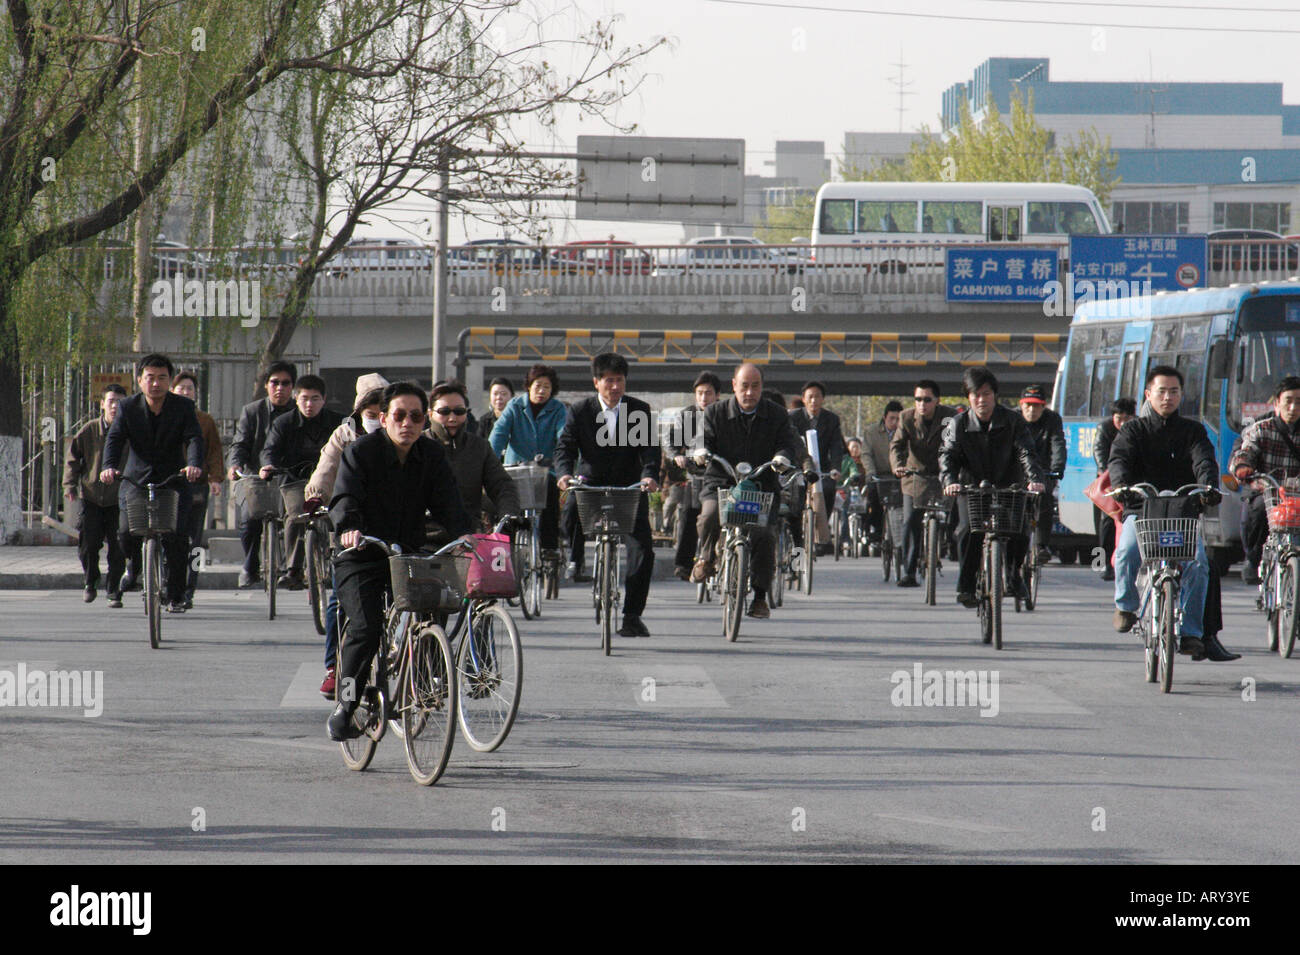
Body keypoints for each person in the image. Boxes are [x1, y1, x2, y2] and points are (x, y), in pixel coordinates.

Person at [327, 381, 474, 741]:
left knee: (436, 602)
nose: (407, 423)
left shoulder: (432, 455)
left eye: (415, 416)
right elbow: (344, 497)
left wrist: (464, 536)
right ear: (383, 417)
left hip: (406, 555)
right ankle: (345, 706)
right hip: (361, 554)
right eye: (398, 415)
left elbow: (449, 503)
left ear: (424, 420)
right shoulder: (361, 451)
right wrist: (349, 528)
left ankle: (424, 679)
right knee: (365, 628)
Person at [1109, 365, 1238, 661]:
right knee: (1127, 551)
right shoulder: (1133, 430)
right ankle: (1125, 606)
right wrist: (1122, 486)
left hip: (1182, 513)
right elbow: (1119, 460)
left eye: (1174, 391)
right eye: (1161, 391)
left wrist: (1208, 487)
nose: (1168, 397)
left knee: (1198, 565)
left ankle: (1191, 632)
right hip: (1142, 510)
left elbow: (1204, 460)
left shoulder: (1193, 431)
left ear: (1181, 394)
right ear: (1148, 394)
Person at [555, 353, 659, 638]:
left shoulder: (639, 410)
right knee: (572, 508)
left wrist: (649, 476)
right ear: (596, 382)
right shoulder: (580, 411)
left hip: (629, 487)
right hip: (591, 483)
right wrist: (564, 473)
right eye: (609, 381)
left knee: (642, 549)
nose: (614, 387)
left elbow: (650, 450)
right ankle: (575, 561)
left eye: (619, 380)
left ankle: (632, 615)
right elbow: (565, 447)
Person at [691, 363, 803, 619]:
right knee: (709, 515)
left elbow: (788, 443)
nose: (749, 392)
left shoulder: (777, 415)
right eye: (744, 386)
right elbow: (703, 439)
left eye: (755, 386)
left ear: (762, 387)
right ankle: (707, 558)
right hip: (721, 482)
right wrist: (701, 452)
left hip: (761, 486)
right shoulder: (715, 412)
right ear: (734, 386)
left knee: (765, 534)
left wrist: (782, 457)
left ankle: (760, 597)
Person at [100, 354, 204, 614]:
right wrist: (109, 467)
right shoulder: (128, 407)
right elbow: (114, 439)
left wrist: (193, 465)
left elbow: (194, 438)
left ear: (169, 380)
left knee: (177, 537)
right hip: (137, 480)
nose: (156, 384)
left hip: (173, 480)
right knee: (126, 532)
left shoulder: (183, 407)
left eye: (162, 378)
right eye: (150, 378)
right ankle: (134, 567)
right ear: (139, 380)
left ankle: (177, 595)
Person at [306, 373, 388, 700]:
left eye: (383, 405)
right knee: (341, 597)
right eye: (371, 405)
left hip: (394, 527)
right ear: (360, 409)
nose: (378, 412)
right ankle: (333, 667)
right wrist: (315, 496)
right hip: (351, 528)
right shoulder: (345, 435)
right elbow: (326, 470)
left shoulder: (404, 434)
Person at [939, 367, 1045, 608]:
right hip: (971, 489)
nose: (981, 399)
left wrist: (1033, 479)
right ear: (968, 397)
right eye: (975, 394)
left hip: (1009, 486)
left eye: (986, 394)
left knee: (1019, 529)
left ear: (994, 395)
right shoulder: (957, 424)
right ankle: (966, 586)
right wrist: (950, 481)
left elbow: (1027, 452)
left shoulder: (1013, 420)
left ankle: (1013, 575)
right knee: (968, 531)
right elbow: (947, 456)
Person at [260, 373, 344, 590]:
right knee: (296, 515)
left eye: (315, 399)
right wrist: (268, 465)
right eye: (305, 398)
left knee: (338, 512)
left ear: (324, 400)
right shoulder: (283, 423)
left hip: (329, 480)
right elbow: (270, 450)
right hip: (294, 480)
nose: (309, 404)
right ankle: (293, 569)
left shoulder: (337, 422)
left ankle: (338, 558)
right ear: (296, 398)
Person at [228, 361, 296, 587]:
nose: (280, 388)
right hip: (255, 479)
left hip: (288, 479)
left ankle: (293, 569)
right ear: (266, 385)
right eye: (275, 383)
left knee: (296, 518)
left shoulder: (299, 412)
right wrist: (235, 466)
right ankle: (250, 565)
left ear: (292, 387)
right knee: (249, 519)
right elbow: (239, 444)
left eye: (285, 383)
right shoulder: (252, 411)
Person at [490, 363, 567, 563]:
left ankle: (549, 546)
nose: (541, 391)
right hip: (516, 470)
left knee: (550, 493)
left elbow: (564, 438)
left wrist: (562, 462)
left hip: (545, 471)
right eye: (537, 385)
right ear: (529, 386)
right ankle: (502, 549)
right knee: (507, 508)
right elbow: (498, 436)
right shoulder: (515, 406)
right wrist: (489, 463)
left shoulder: (558, 410)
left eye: (547, 387)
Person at [427, 380, 520, 541]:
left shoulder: (479, 447)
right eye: (444, 411)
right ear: (430, 414)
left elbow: (501, 485)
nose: (452, 418)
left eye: (459, 411)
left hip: (468, 538)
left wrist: (509, 515)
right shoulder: (417, 445)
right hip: (424, 538)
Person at [1231, 376, 1300, 586]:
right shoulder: (1262, 429)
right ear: (1277, 402)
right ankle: (1253, 559)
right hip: (1269, 493)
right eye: (1288, 400)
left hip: (1297, 496)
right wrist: (1243, 467)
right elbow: (1246, 451)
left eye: (1299, 401)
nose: (1293, 406)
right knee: (1257, 509)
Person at [891, 378, 959, 588]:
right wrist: (898, 466)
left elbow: (952, 445)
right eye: (918, 399)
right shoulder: (906, 417)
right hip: (914, 476)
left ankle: (950, 545)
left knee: (956, 513)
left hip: (942, 475)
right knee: (911, 520)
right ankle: (909, 571)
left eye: (927, 400)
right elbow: (897, 445)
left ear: (936, 401)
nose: (922, 404)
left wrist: (953, 472)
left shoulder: (949, 417)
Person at [63, 384, 127, 605]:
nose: (115, 406)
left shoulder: (130, 431)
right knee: (88, 544)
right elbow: (73, 459)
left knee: (119, 546)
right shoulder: (89, 430)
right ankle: (90, 581)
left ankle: (114, 589)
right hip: (91, 497)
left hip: (119, 498)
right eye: (111, 401)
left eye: (120, 401)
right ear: (102, 404)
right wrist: (70, 485)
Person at [170, 372, 224, 609]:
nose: (185, 391)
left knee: (195, 542)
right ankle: (166, 584)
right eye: (181, 388)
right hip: (168, 485)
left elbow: (214, 451)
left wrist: (214, 478)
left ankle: (190, 588)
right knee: (168, 538)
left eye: (190, 388)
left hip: (196, 487)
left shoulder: (205, 420)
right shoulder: (163, 417)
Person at [669, 371, 722, 580]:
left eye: (708, 393)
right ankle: (683, 564)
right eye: (699, 393)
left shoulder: (723, 414)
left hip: (719, 474)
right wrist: (677, 456)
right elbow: (672, 442)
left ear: (717, 395)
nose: (703, 398)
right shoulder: (687, 416)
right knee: (688, 515)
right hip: (695, 473)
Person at [788, 380, 845, 555]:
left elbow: (836, 446)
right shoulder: (793, 417)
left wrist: (836, 468)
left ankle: (821, 527)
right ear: (804, 399)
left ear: (823, 399)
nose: (814, 401)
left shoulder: (831, 419)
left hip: (822, 468)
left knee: (828, 489)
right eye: (810, 397)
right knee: (795, 498)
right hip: (798, 467)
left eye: (817, 397)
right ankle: (795, 539)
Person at [1018, 384, 1068, 561]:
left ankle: (1041, 545)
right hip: (1018, 472)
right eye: (1028, 405)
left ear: (1044, 405)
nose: (1032, 410)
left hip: (1043, 471)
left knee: (1044, 499)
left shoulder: (1052, 419)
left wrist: (1057, 469)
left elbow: (1058, 444)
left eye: (1036, 405)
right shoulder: (1013, 419)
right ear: (1021, 405)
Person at [1093, 397, 1136, 582]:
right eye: (1119, 418)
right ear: (1112, 417)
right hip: (1108, 481)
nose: (1123, 422)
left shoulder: (1137, 430)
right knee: (1106, 522)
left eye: (1128, 418)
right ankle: (1101, 562)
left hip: (1131, 481)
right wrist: (1107, 473)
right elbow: (1099, 453)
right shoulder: (1104, 429)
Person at [861, 400, 903, 552]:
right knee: (874, 497)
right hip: (878, 474)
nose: (894, 422)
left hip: (898, 474)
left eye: (898, 419)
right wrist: (870, 473)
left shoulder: (906, 432)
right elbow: (866, 454)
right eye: (892, 418)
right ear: (884, 418)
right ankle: (875, 530)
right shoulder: (871, 432)